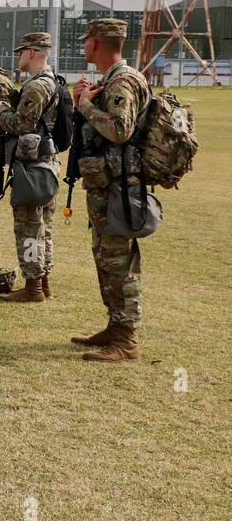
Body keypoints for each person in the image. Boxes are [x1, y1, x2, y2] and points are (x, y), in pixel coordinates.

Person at [68, 18, 151, 362]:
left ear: (97, 43)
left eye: (87, 39)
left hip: (119, 188)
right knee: (106, 258)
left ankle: (126, 340)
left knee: (118, 262)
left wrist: (84, 105)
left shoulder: (123, 82)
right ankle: (115, 328)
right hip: (106, 186)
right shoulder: (111, 80)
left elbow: (120, 129)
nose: (84, 44)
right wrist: (86, 99)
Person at [0, 32, 60, 303]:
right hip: (46, 164)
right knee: (44, 226)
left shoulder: (37, 86)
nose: (18, 57)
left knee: (30, 227)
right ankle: (44, 281)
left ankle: (34, 287)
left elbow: (21, 124)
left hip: (33, 167)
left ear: (32, 52)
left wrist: (0, 110)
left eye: (21, 52)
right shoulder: (51, 81)